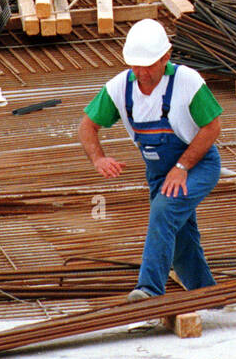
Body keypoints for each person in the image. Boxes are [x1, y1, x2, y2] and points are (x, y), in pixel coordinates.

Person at [78, 18, 224, 300]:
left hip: (199, 165)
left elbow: (212, 126)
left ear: (166, 57)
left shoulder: (188, 82)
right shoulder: (119, 87)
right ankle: (208, 297)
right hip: (158, 173)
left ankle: (148, 290)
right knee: (181, 237)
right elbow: (87, 126)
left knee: (164, 212)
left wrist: (182, 167)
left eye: (148, 65)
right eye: (135, 65)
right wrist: (98, 158)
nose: (141, 72)